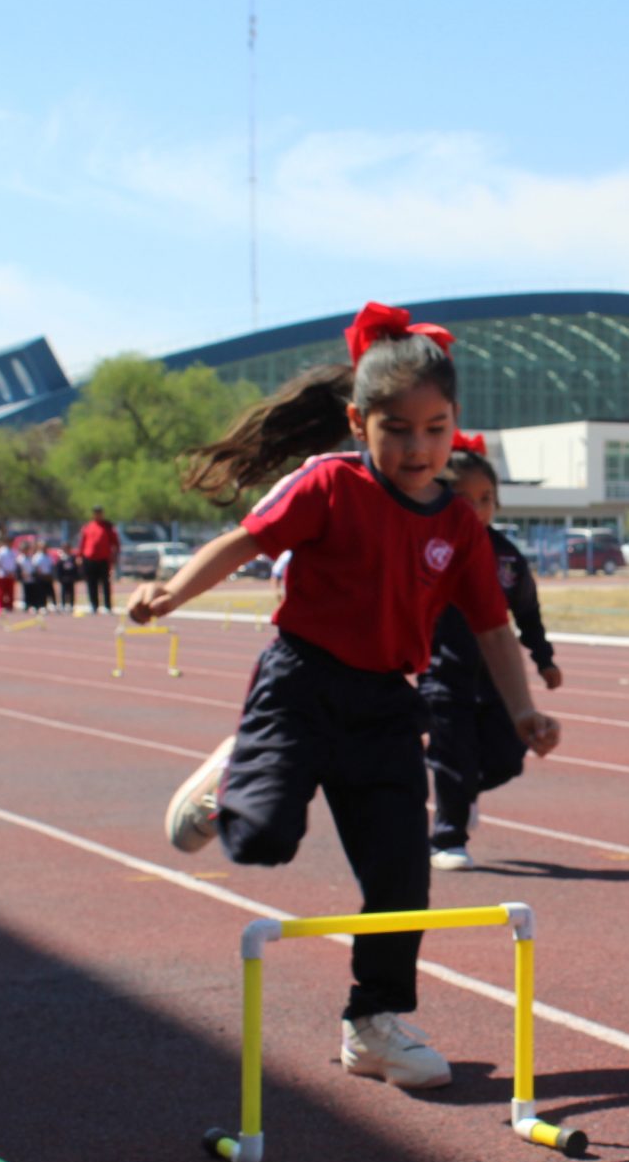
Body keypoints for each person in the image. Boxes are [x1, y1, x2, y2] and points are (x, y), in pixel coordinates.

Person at [133, 301, 560, 1090]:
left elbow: (495, 629)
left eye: (435, 429)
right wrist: (172, 592)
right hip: (300, 685)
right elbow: (243, 541)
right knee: (261, 840)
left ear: (455, 424)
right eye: (397, 428)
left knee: (402, 873)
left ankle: (375, 1022)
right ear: (357, 423)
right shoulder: (330, 486)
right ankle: (230, 782)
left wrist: (524, 706)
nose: (418, 446)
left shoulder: (461, 527)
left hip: (388, 706)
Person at [422, 439, 562, 870]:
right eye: (465, 499)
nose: (478, 509)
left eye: (486, 499)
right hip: (443, 677)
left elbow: (526, 611)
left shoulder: (507, 558)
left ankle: (464, 793)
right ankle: (448, 838)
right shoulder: (430, 549)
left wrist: (543, 658)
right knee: (452, 757)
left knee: (507, 759)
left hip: (498, 681)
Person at [78, 507, 119, 614]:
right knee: (91, 583)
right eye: (96, 513)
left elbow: (115, 542)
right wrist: (79, 556)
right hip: (89, 559)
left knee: (105, 583)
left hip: (103, 559)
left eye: (99, 513)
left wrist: (115, 555)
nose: (98, 515)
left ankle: (107, 606)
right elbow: (82, 543)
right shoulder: (88, 526)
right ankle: (94, 605)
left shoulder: (108, 526)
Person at [0, 532, 18, 613]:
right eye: (9, 541)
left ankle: (9, 606)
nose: (11, 543)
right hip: (2, 574)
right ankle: (1, 606)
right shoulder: (1, 551)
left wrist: (12, 571)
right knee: (1, 591)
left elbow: (15, 563)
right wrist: (6, 571)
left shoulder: (13, 551)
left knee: (10, 591)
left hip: (11, 574)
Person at [53, 542, 79, 612]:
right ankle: (63, 605)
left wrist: (75, 576)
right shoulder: (61, 558)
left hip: (71, 577)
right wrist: (59, 577)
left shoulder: (72, 557)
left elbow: (75, 568)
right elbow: (58, 569)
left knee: (71, 592)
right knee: (63, 592)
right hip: (63, 578)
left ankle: (71, 605)